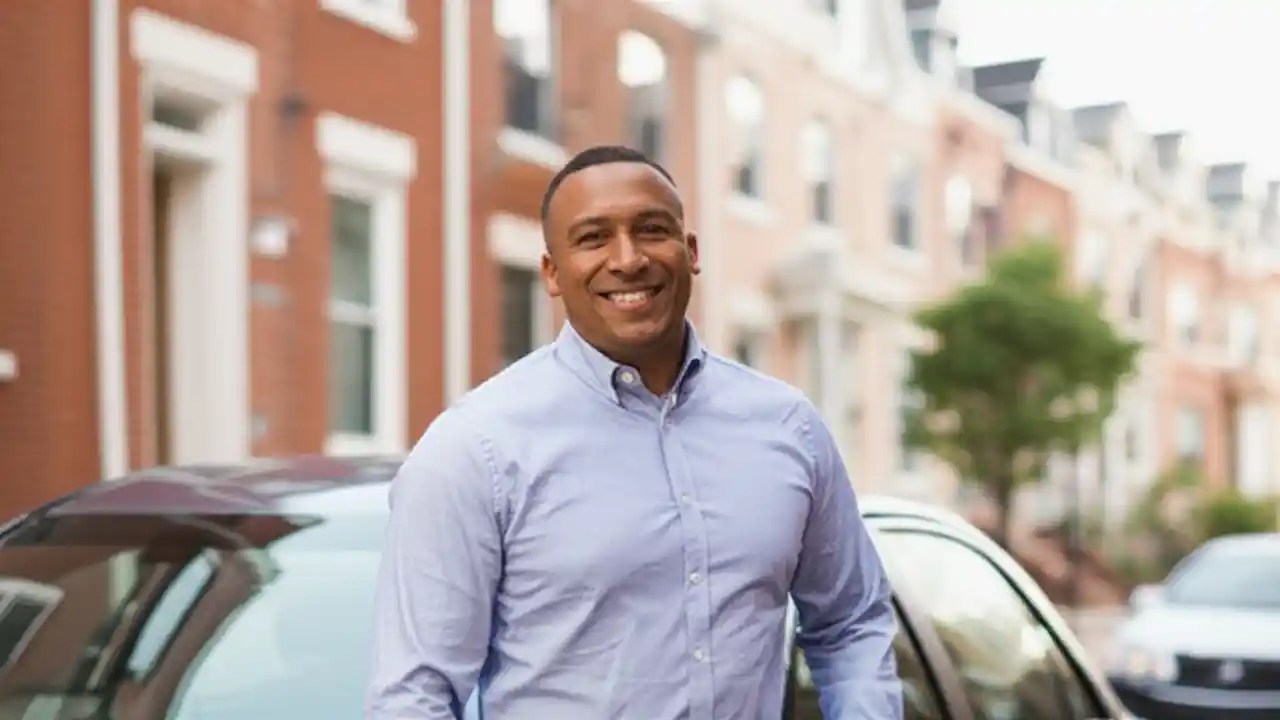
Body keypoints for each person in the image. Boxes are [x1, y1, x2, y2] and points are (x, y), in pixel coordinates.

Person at [365, 145, 902, 719]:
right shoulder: (474, 451)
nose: (627, 259)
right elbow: (414, 698)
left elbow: (851, 623)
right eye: (593, 238)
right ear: (552, 271)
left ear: (690, 251)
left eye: (651, 230)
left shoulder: (788, 426)